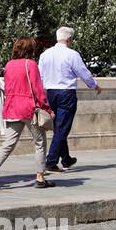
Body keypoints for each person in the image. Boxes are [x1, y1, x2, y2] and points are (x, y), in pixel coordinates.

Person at [0, 38, 54, 190]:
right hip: (29, 108)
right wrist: (47, 108)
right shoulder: (31, 64)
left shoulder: (9, 65)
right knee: (40, 142)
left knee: (8, 143)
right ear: (30, 50)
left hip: (12, 108)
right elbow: (38, 89)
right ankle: (40, 177)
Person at [39, 26, 101, 175]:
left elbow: (39, 75)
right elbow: (83, 72)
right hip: (66, 93)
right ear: (69, 39)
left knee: (59, 127)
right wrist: (94, 86)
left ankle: (66, 159)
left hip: (50, 93)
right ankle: (51, 162)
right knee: (62, 128)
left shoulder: (45, 54)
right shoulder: (72, 54)